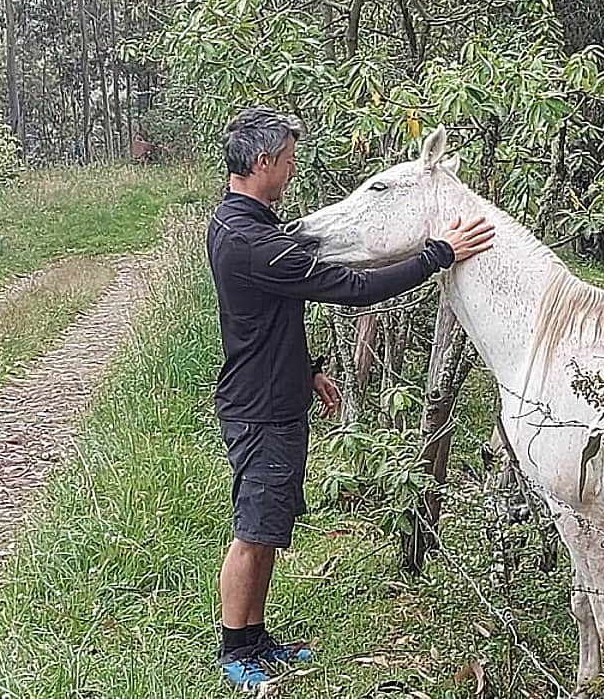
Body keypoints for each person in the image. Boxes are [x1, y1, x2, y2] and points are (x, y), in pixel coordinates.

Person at [205, 107, 494, 691]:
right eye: (287, 160)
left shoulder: (245, 224)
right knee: (254, 531)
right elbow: (358, 289)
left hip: (274, 394)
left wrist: (306, 369)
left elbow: (263, 316)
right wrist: (440, 253)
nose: (290, 170)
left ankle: (256, 639)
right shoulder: (253, 243)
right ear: (263, 162)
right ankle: (234, 652)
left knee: (270, 527)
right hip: (260, 410)